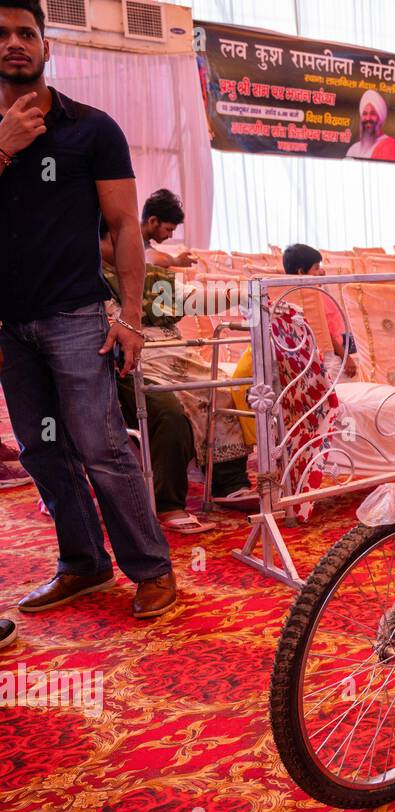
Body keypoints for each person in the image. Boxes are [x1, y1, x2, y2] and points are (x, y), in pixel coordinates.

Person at [0, 0, 175, 617]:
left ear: (47, 48)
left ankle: (151, 568)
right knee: (43, 449)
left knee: (100, 444)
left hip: (76, 318)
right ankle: (83, 563)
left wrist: (131, 317)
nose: (15, 42)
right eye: (2, 34)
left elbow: (127, 225)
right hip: (8, 327)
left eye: (27, 33)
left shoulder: (92, 129)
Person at [101, 220, 255, 527]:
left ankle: (228, 483)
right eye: (115, 241)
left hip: (177, 357)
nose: (125, 249)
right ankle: (168, 503)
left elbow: (192, 298)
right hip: (129, 365)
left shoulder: (145, 279)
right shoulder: (87, 283)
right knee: (171, 410)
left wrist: (241, 294)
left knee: (220, 389)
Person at [283, 244, 359, 382]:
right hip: (331, 351)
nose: (322, 271)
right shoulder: (311, 296)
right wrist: (346, 356)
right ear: (301, 272)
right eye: (316, 268)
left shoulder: (287, 292)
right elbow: (324, 333)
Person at [139, 188, 197, 268]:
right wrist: (177, 261)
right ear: (153, 221)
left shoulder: (142, 241)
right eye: (168, 229)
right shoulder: (133, 237)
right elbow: (154, 260)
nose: (170, 236)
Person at [345, 89, 395, 161]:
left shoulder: (391, 147)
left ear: (380, 117)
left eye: (372, 114)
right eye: (365, 114)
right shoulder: (353, 149)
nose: (368, 118)